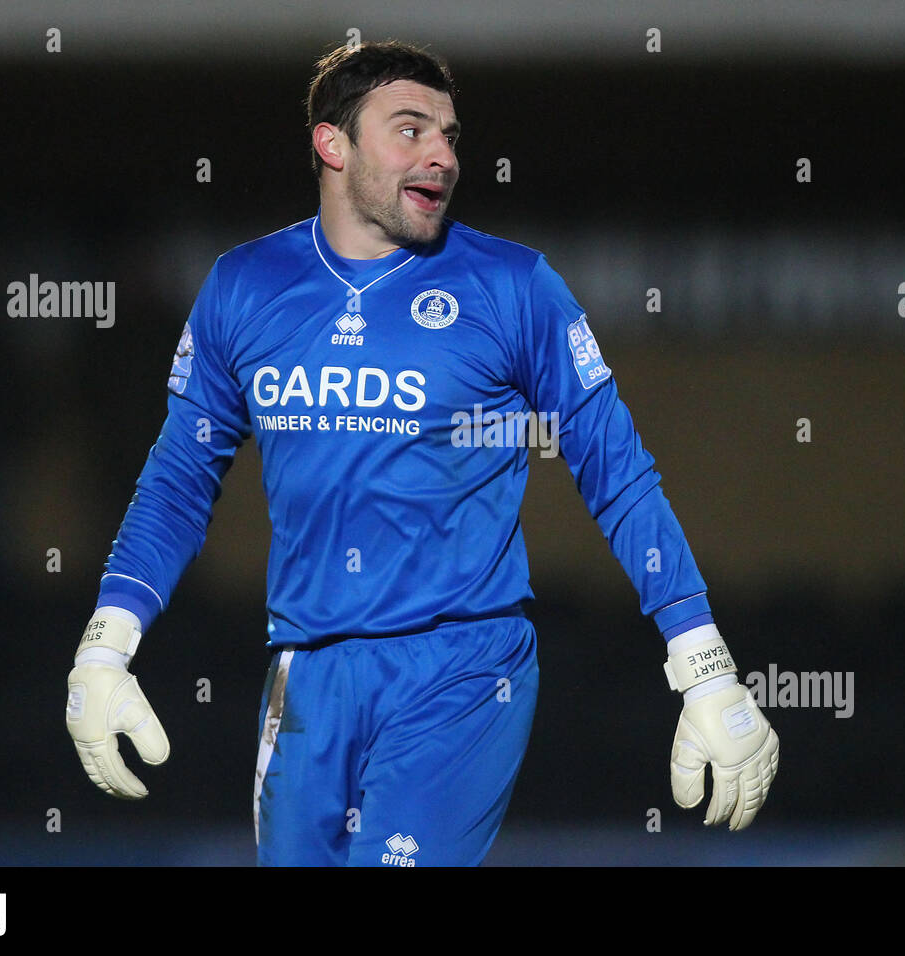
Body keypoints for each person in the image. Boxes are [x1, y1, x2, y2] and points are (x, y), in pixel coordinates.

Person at [64, 39, 778, 866]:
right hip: (307, 676)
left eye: (449, 134)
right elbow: (180, 480)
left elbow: (617, 472)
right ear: (334, 145)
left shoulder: (513, 288)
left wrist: (703, 663)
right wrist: (106, 646)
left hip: (464, 669)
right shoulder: (243, 288)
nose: (441, 153)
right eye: (410, 130)